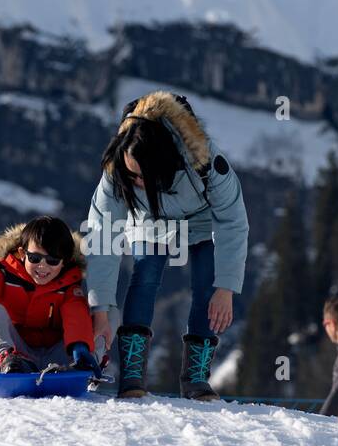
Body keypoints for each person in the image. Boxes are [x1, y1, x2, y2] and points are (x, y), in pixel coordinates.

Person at [84, 91, 249, 400]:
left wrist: (225, 287)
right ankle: (132, 376)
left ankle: (196, 379)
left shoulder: (205, 160)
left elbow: (233, 221)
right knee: (145, 275)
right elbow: (102, 236)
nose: (136, 181)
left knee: (206, 287)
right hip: (150, 218)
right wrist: (100, 310)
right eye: (130, 174)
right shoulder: (117, 172)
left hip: (201, 219)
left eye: (143, 176)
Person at [0, 216, 98, 374]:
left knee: (100, 315)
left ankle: (82, 364)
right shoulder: (6, 274)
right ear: (22, 253)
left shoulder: (69, 283)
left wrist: (79, 344)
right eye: (35, 258)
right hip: (18, 353)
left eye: (53, 261)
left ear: (65, 261)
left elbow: (75, 315)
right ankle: (5, 359)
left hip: (59, 355)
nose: (42, 266)